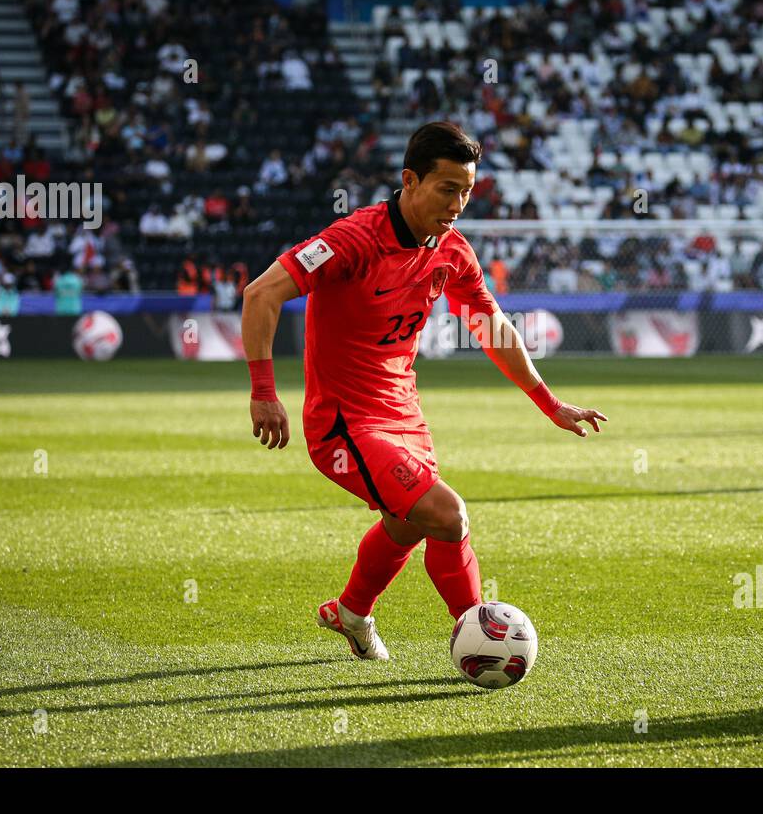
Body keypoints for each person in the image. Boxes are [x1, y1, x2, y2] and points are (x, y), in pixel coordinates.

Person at [242, 122, 607, 660]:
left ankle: (351, 612)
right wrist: (264, 391)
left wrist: (549, 402)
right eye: (447, 188)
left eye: (467, 190)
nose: (459, 202)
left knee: (407, 523)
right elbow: (260, 295)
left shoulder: (452, 251)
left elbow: (493, 327)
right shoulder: (353, 239)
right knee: (447, 514)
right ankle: (484, 637)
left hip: (405, 418)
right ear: (409, 180)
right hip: (345, 422)